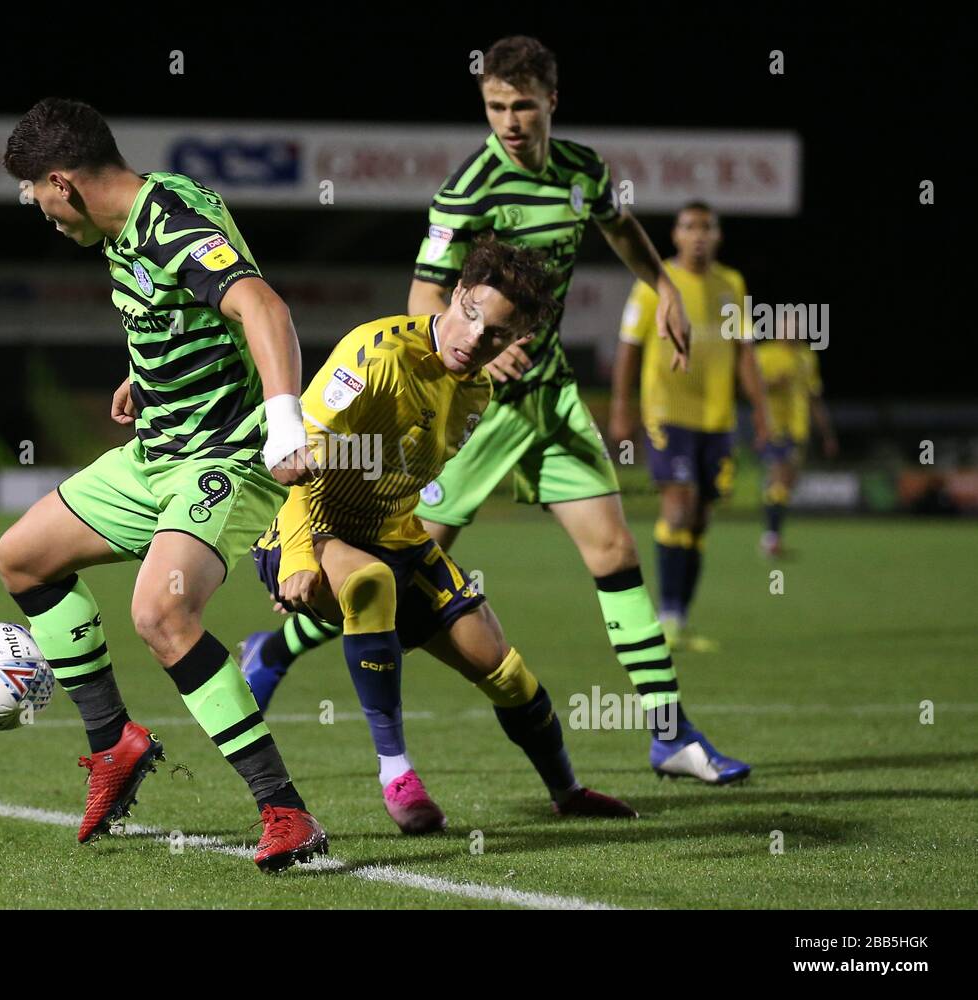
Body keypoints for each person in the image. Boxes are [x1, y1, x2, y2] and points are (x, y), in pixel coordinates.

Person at [243, 36, 750, 785]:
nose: (509, 121)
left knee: (615, 555)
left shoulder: (584, 171)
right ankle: (276, 649)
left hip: (550, 400)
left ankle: (668, 733)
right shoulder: (467, 191)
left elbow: (620, 228)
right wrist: (480, 349)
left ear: (553, 101)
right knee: (395, 572)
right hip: (472, 418)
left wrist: (665, 285)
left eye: (522, 105)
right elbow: (425, 300)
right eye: (495, 107)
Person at [0, 97, 327, 872]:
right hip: (156, 453)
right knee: (22, 557)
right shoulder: (140, 217)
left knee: (161, 610)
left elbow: (263, 307)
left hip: (224, 457)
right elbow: (195, 305)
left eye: (35, 193)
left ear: (62, 181)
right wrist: (146, 373)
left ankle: (286, 812)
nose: (37, 210)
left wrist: (285, 424)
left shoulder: (167, 218)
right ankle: (114, 741)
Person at [252, 237, 637, 833]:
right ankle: (396, 773)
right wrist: (299, 556)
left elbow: (406, 475)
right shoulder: (373, 356)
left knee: (508, 674)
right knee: (371, 583)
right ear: (458, 295)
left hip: (395, 536)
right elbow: (293, 460)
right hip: (310, 524)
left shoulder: (477, 389)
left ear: (518, 342)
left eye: (498, 337)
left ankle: (568, 790)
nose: (475, 340)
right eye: (474, 317)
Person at [612, 201, 770, 658]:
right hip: (667, 412)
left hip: (717, 420)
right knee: (678, 506)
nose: (698, 234)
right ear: (675, 236)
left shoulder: (732, 285)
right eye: (689, 227)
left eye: (707, 227)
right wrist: (621, 409)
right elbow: (628, 348)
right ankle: (665, 616)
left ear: (718, 236)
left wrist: (761, 412)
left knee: (700, 519)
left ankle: (679, 618)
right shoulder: (654, 282)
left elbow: (745, 352)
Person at [754, 313, 836, 557]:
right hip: (774, 427)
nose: (792, 331)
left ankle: (772, 533)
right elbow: (750, 389)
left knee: (786, 484)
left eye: (796, 327)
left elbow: (814, 398)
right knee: (780, 480)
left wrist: (827, 434)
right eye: (787, 327)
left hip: (799, 430)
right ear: (778, 330)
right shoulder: (765, 354)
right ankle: (771, 539)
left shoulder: (807, 356)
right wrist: (771, 385)